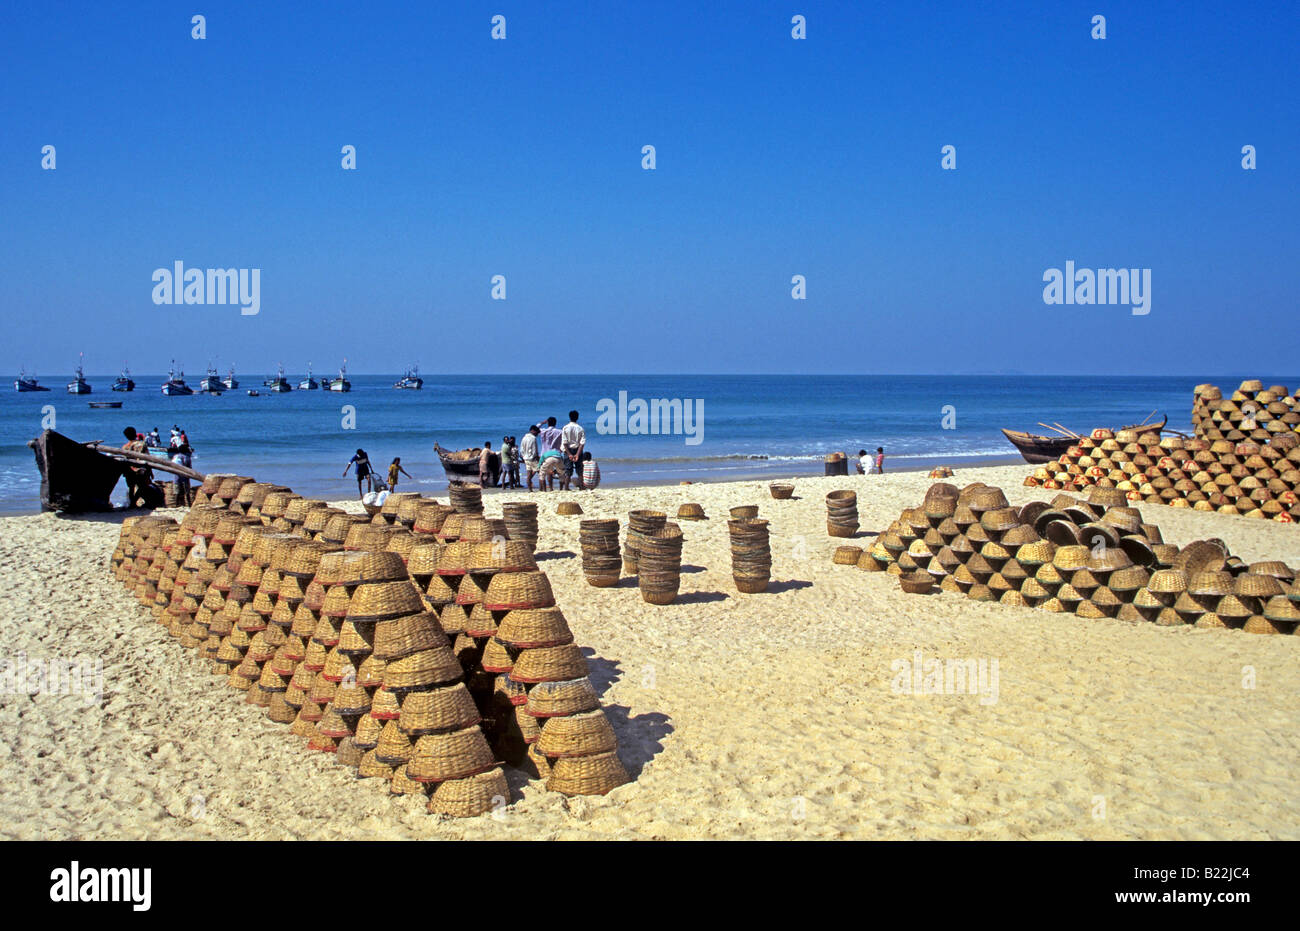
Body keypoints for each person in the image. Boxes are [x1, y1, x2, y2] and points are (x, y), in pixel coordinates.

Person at [561, 410, 586, 489]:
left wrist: (569, 454)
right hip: (578, 449)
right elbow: (582, 443)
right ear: (577, 418)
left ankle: (566, 487)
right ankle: (581, 486)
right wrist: (578, 454)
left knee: (568, 470)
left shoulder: (565, 428)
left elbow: (565, 443)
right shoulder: (580, 428)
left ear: (569, 417)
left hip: (568, 449)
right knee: (579, 470)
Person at [520, 425, 540, 491]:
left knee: (529, 474)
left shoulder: (524, 438)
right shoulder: (533, 438)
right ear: (533, 431)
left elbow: (521, 450)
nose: (537, 434)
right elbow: (535, 450)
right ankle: (542, 488)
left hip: (526, 458)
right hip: (532, 458)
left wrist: (523, 457)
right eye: (537, 432)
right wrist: (537, 458)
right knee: (541, 473)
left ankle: (530, 489)